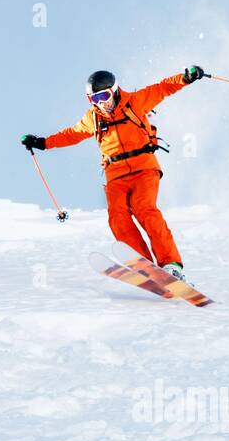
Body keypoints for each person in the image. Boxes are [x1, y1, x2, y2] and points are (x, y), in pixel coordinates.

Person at [21, 67, 205, 281]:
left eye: (104, 96)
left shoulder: (135, 102)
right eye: (94, 99)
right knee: (117, 217)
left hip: (144, 167)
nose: (101, 103)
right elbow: (72, 134)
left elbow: (163, 88)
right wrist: (43, 143)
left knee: (145, 209)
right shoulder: (93, 118)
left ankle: (170, 264)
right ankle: (143, 264)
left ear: (115, 91)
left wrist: (185, 77)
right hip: (115, 174)